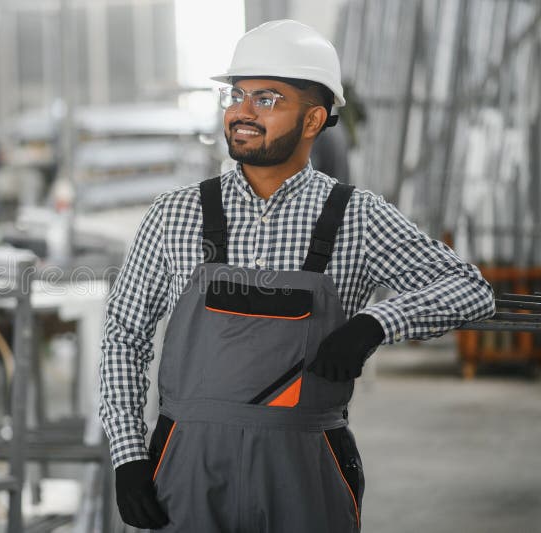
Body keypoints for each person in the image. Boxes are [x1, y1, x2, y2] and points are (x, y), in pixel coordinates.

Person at [99, 20, 494, 532]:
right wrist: (129, 456)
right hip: (188, 466)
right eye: (237, 95)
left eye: (267, 99)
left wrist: (377, 323)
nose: (241, 111)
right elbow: (124, 336)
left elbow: (471, 289)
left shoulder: (359, 217)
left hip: (307, 470)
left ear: (313, 120)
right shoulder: (175, 214)